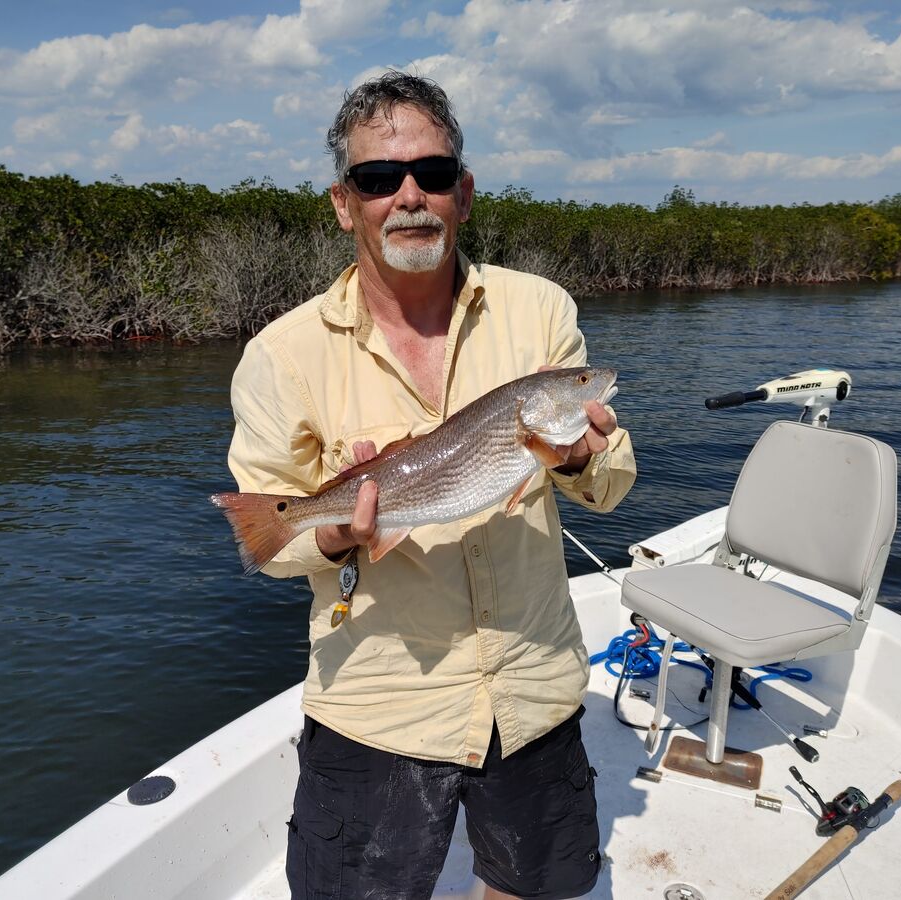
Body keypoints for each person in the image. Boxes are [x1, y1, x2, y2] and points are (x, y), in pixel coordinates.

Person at [224, 71, 636, 899]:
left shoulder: (540, 311)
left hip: (532, 683)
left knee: (531, 887)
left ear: (465, 194)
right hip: (379, 702)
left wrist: (578, 459)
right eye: (379, 178)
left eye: (433, 174)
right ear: (345, 204)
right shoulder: (281, 354)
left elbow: (613, 479)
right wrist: (333, 531)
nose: (409, 196)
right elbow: (271, 540)